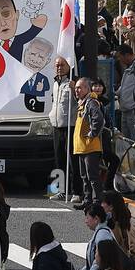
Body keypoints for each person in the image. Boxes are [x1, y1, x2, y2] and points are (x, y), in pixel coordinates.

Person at [49, 58, 81, 200]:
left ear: (69, 66)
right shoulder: (56, 82)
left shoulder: (73, 83)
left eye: (62, 65)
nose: (59, 68)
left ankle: (76, 192)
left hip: (71, 126)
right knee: (58, 159)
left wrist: (75, 89)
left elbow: (81, 101)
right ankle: (58, 190)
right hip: (57, 126)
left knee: (73, 161)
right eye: (57, 65)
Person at [73, 77, 105, 207]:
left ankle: (97, 202)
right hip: (82, 147)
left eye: (79, 88)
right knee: (85, 177)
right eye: (76, 88)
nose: (77, 90)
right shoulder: (82, 102)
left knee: (92, 177)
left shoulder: (91, 102)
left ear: (87, 88)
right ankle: (87, 201)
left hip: (90, 147)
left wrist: (92, 134)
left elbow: (98, 119)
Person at [115, 44, 135, 141]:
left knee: (133, 139)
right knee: (126, 140)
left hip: (133, 110)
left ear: (126, 55)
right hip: (124, 109)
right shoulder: (128, 68)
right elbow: (126, 86)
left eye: (120, 57)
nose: (120, 60)